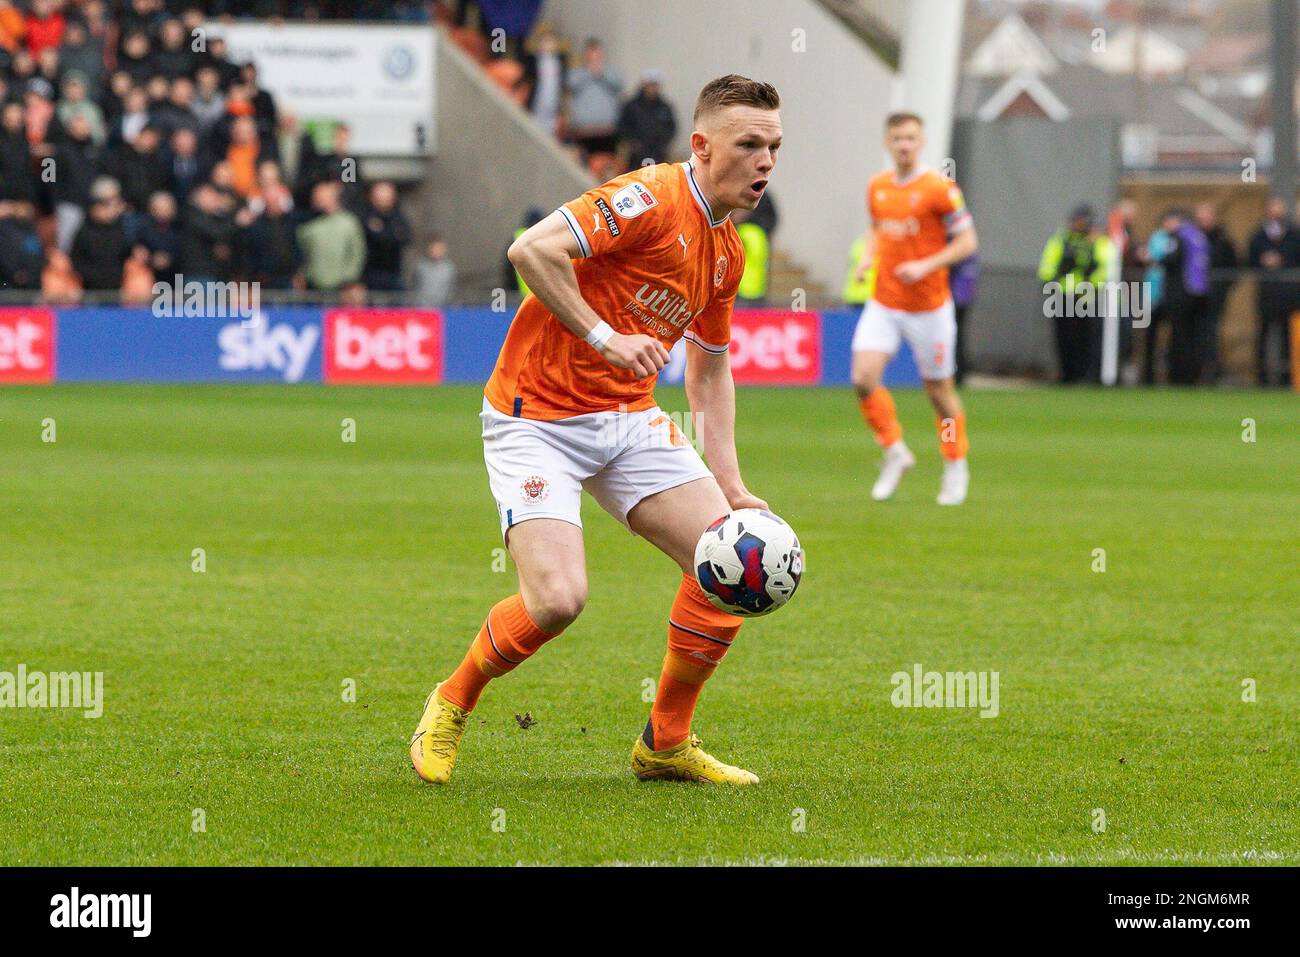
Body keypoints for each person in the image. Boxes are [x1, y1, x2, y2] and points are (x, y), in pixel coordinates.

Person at [409, 74, 782, 786]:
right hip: (536, 418)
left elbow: (709, 371)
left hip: (627, 417)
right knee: (557, 600)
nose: (765, 161)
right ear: (702, 147)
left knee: (730, 568)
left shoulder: (727, 250)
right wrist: (606, 335)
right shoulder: (647, 197)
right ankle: (453, 699)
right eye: (750, 144)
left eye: (774, 146)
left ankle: (664, 743)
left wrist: (730, 481)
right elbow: (531, 251)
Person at [850, 112, 978, 506]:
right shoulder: (878, 186)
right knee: (862, 378)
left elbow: (967, 242)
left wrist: (925, 265)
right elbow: (876, 228)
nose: (903, 145)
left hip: (930, 307)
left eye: (910, 138)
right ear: (887, 143)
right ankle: (895, 451)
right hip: (885, 301)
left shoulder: (940, 189)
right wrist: (868, 258)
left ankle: (955, 464)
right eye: (897, 138)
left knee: (939, 392)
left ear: (920, 143)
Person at [1038, 204, 1110, 384]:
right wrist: (1053, 281)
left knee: (1086, 336)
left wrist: (1090, 284)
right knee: (1064, 337)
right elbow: (1047, 267)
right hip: (1062, 294)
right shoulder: (1061, 240)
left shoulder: (1096, 242)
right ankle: (1066, 374)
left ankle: (1085, 374)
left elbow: (1104, 268)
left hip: (1086, 296)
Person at [1153, 209, 1211, 385]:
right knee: (1195, 335)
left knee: (1180, 336)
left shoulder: (1178, 237)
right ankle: (1195, 374)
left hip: (1181, 293)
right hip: (1200, 293)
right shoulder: (1199, 236)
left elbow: (1171, 259)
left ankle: (1179, 376)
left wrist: (1156, 259)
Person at [1247, 197, 1300, 387]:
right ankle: (1262, 379)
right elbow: (1250, 259)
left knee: (1288, 337)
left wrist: (1282, 260)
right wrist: (1263, 261)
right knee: (1264, 333)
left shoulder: (1294, 234)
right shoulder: (1258, 235)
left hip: (1290, 293)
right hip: (1267, 292)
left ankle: (1288, 378)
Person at [1194, 202, 1237, 384]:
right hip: (1193, 296)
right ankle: (1193, 370)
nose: (1204, 222)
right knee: (1195, 331)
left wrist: (1222, 287)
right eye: (1200, 218)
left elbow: (1234, 266)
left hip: (1215, 295)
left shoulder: (1223, 240)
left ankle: (1212, 370)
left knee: (1211, 331)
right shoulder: (1191, 238)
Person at [564, 38, 623, 158]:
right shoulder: (577, 73)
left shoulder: (610, 73)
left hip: (607, 131)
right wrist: (590, 72)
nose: (594, 58)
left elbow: (619, 84)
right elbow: (570, 83)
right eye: (591, 54)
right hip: (584, 132)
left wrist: (601, 73)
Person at [617, 69, 677, 168]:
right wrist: (632, 143)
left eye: (655, 85)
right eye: (650, 85)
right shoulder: (631, 106)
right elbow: (622, 126)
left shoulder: (665, 106)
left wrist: (663, 143)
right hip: (636, 155)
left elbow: (672, 127)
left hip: (658, 154)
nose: (652, 88)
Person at [950, 253, 979, 385]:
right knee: (959, 335)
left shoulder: (960, 249)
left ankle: (956, 373)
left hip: (955, 297)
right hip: (965, 297)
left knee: (953, 336)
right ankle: (960, 372)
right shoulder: (971, 253)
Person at [410, 235, 456, 307]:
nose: (437, 251)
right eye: (434, 248)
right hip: (421, 307)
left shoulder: (449, 268)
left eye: (440, 248)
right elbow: (414, 285)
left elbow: (451, 288)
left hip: (443, 307)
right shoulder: (420, 266)